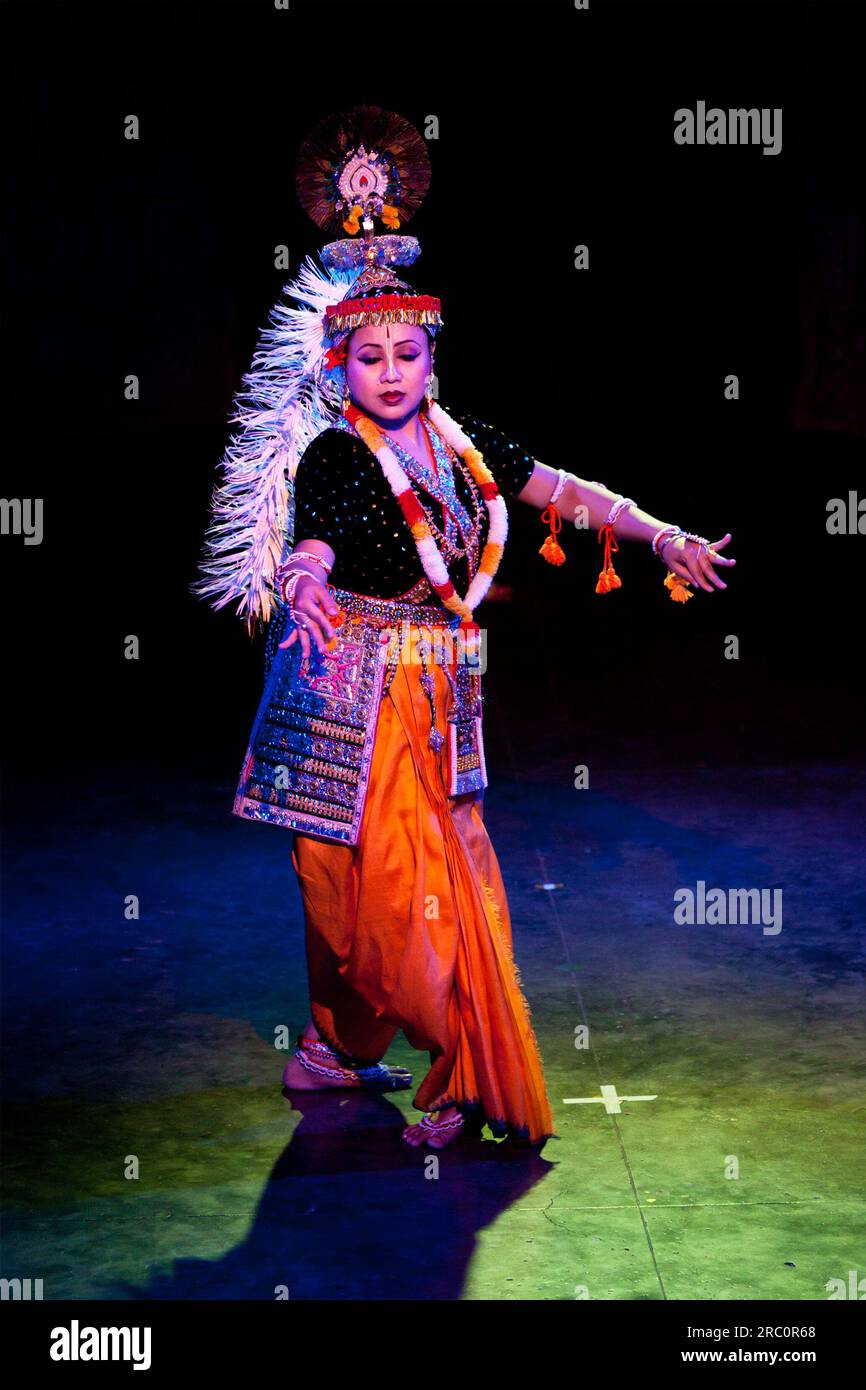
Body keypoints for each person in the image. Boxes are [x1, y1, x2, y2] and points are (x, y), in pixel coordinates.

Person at [194, 106, 735, 1152]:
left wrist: (656, 531)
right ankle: (333, 1046)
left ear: (430, 358)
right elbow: (319, 541)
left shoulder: (462, 440)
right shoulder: (336, 458)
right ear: (339, 369)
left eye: (405, 353)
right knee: (343, 893)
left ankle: (453, 1071)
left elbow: (559, 491)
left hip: (435, 693)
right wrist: (301, 579)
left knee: (429, 895)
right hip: (338, 681)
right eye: (368, 357)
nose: (388, 372)